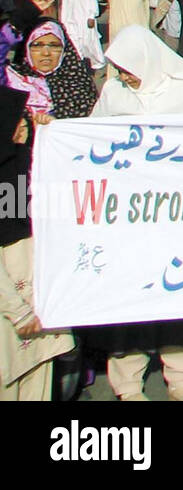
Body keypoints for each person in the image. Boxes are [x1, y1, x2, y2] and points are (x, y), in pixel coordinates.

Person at [92, 27, 183, 400]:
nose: (123, 75)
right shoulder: (114, 92)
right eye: (117, 68)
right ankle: (127, 382)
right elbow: (92, 138)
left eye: (128, 67)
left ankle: (182, 377)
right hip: (130, 214)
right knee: (129, 294)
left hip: (180, 212)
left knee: (179, 293)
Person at [0, 85, 75, 400]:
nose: (22, 125)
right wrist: (17, 312)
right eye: (14, 118)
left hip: (38, 294)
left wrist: (48, 134)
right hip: (10, 307)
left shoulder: (22, 168)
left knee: (40, 373)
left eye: (23, 117)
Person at [4, 20, 98, 120]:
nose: (46, 53)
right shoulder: (8, 81)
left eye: (54, 46)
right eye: (37, 45)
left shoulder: (79, 84)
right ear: (26, 48)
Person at [58, 0, 105, 70]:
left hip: (84, 17)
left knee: (89, 42)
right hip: (70, 17)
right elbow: (65, 0)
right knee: (73, 40)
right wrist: (63, 18)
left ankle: (98, 63)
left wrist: (91, 16)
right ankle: (78, 64)